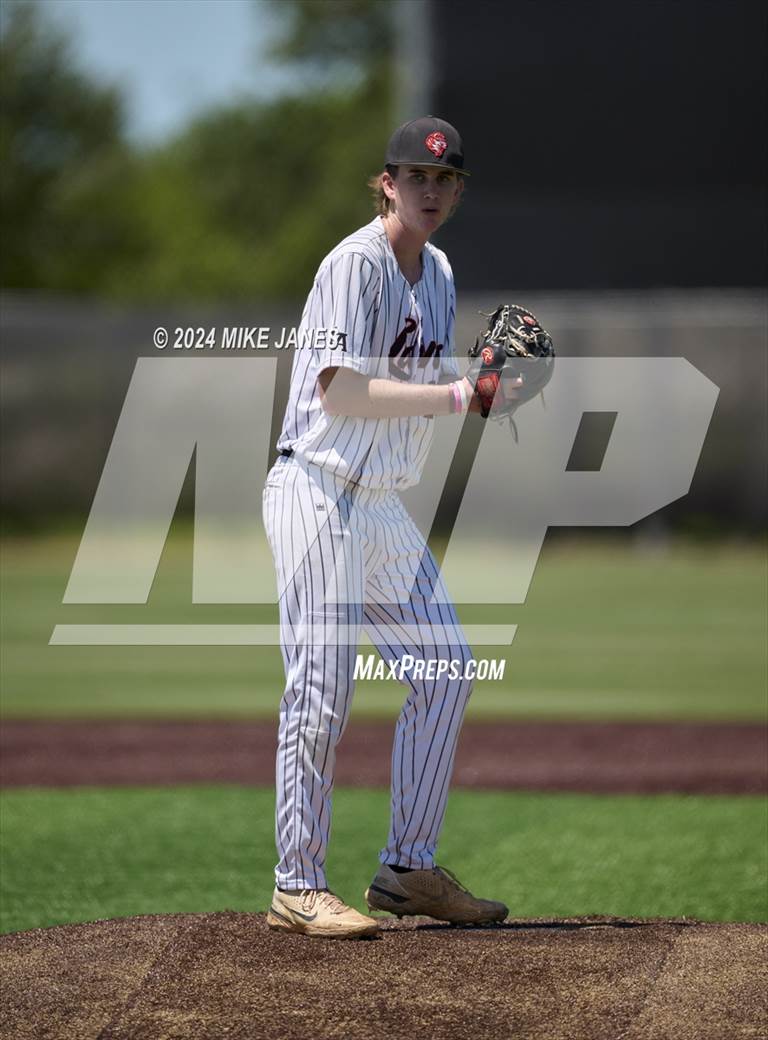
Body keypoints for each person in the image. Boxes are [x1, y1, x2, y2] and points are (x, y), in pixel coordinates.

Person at [262, 116, 509, 938]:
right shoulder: (351, 264)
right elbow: (338, 389)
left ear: (458, 191)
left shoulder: (436, 271)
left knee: (446, 667)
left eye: (445, 180)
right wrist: (452, 396)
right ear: (386, 183)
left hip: (378, 505)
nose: (430, 190)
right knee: (324, 688)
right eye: (415, 177)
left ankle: (408, 870)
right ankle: (297, 884)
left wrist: (481, 381)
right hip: (315, 487)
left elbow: (416, 381)